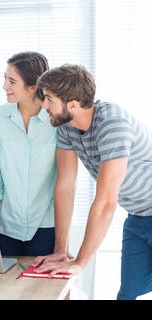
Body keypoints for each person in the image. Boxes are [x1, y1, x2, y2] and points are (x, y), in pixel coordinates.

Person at [33, 64, 152, 300]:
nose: (44, 106)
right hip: (137, 217)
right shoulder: (67, 126)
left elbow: (106, 202)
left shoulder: (113, 124)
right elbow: (65, 187)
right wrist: (61, 251)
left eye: (49, 99)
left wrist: (79, 263)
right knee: (128, 295)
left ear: (73, 104)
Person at [0, 52, 58, 257]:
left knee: (40, 288)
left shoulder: (57, 123)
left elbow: (65, 184)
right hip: (5, 226)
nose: (5, 86)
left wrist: (62, 243)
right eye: (5, 78)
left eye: (12, 81)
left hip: (46, 226)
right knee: (0, 288)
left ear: (33, 87)